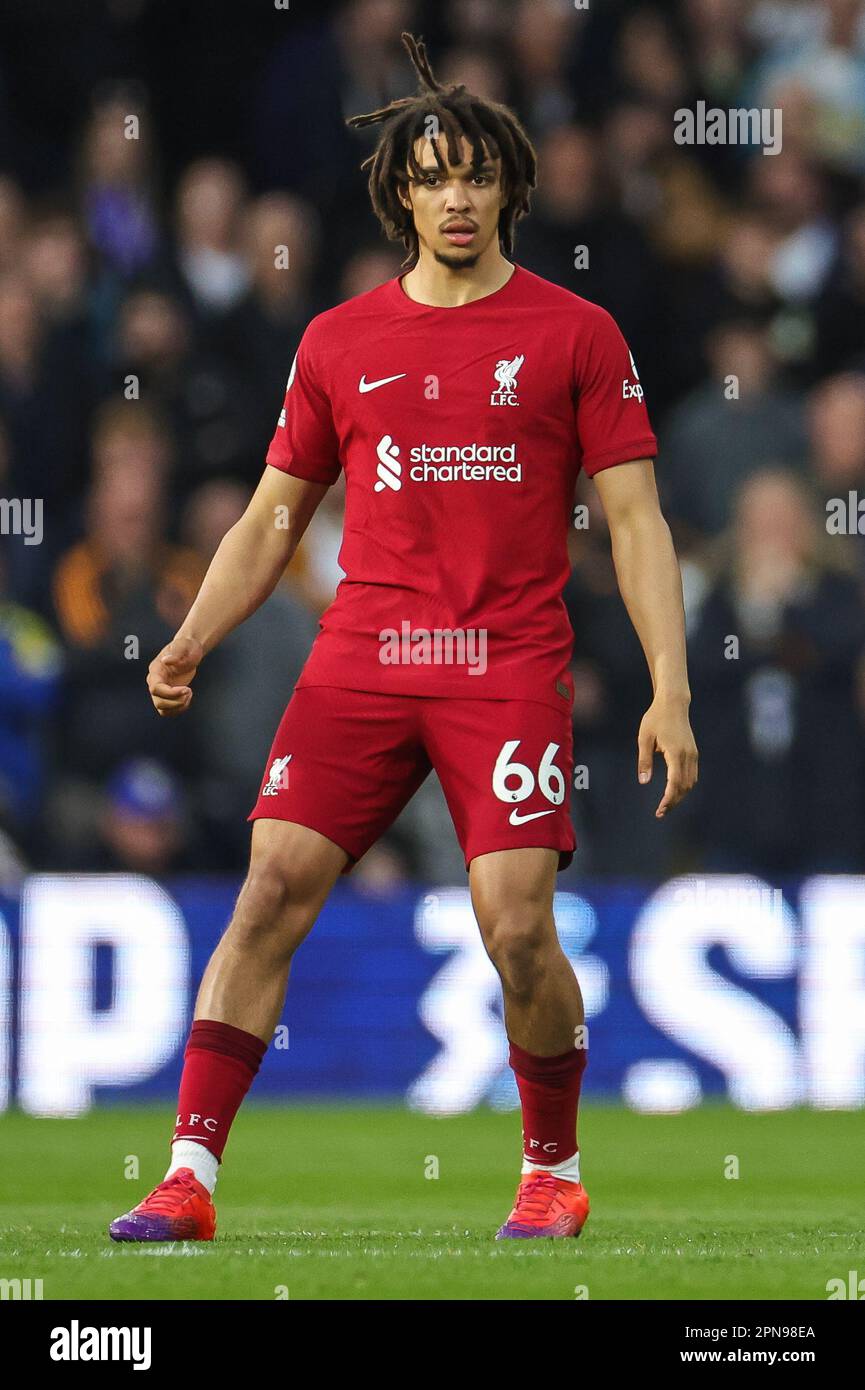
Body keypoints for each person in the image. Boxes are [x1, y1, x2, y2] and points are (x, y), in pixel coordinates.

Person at [110, 33, 697, 1246]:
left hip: (505, 665)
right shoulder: (336, 341)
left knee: (518, 925)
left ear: (509, 189)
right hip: (364, 658)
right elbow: (274, 516)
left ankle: (552, 1169)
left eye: (478, 174)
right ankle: (188, 1175)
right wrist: (192, 636)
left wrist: (668, 689)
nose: (459, 195)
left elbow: (635, 523)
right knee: (268, 888)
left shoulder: (577, 334)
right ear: (403, 195)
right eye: (434, 176)